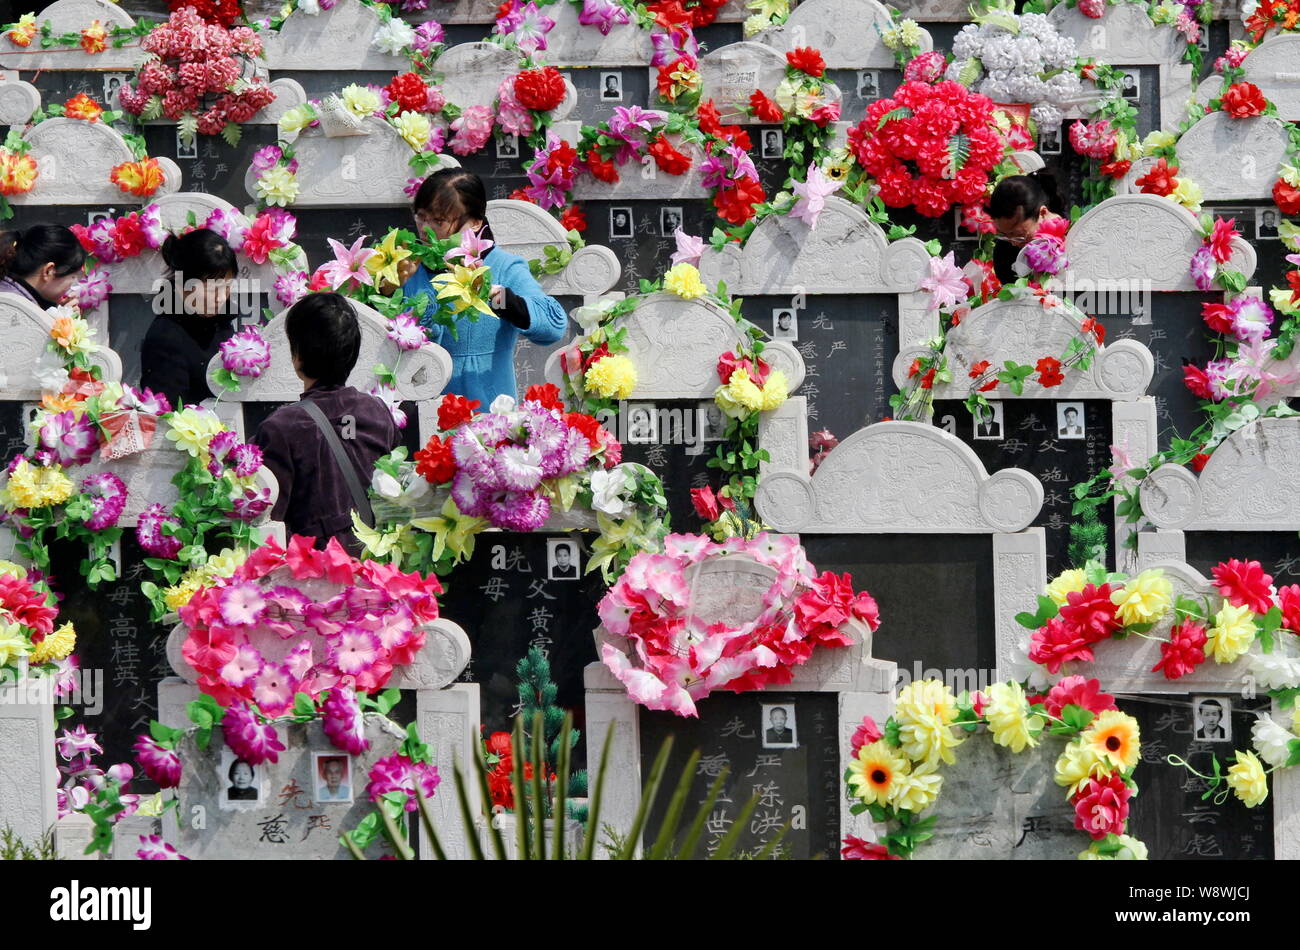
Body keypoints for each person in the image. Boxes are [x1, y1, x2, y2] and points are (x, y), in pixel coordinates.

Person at [397, 170, 567, 408]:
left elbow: (553, 326)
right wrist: (388, 290)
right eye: (421, 217)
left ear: (476, 222)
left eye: (439, 221)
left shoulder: (503, 266)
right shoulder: (405, 265)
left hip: (485, 410)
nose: (425, 229)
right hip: (415, 406)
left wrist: (502, 300)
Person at [252, 293, 400, 554]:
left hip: (314, 574)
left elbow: (269, 520)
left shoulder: (280, 428)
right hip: (374, 565)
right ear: (352, 352)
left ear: (297, 356)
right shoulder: (377, 411)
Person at [140, 229, 238, 408]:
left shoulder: (221, 322)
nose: (221, 297)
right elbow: (166, 416)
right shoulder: (166, 339)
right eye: (211, 288)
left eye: (227, 287)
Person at [987, 173, 1066, 284]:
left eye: (1019, 236)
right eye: (1003, 234)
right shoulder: (1004, 249)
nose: (1013, 243)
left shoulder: (1074, 238)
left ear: (1042, 213)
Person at [0, 225, 86, 310]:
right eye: (74, 279)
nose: (73, 290)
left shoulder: (11, 293)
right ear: (49, 271)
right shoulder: (14, 309)